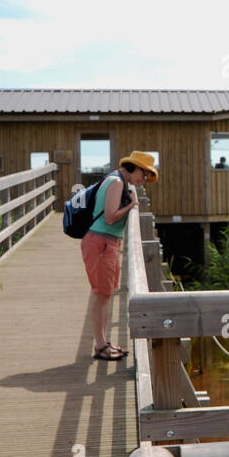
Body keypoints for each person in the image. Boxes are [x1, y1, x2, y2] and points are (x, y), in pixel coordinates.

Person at [82, 150, 157, 361]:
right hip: (101, 242)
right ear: (135, 168)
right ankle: (100, 345)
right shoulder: (116, 182)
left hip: (107, 242)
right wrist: (132, 206)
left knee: (105, 295)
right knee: (101, 295)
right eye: (143, 175)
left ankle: (104, 343)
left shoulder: (119, 181)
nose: (143, 181)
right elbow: (110, 216)